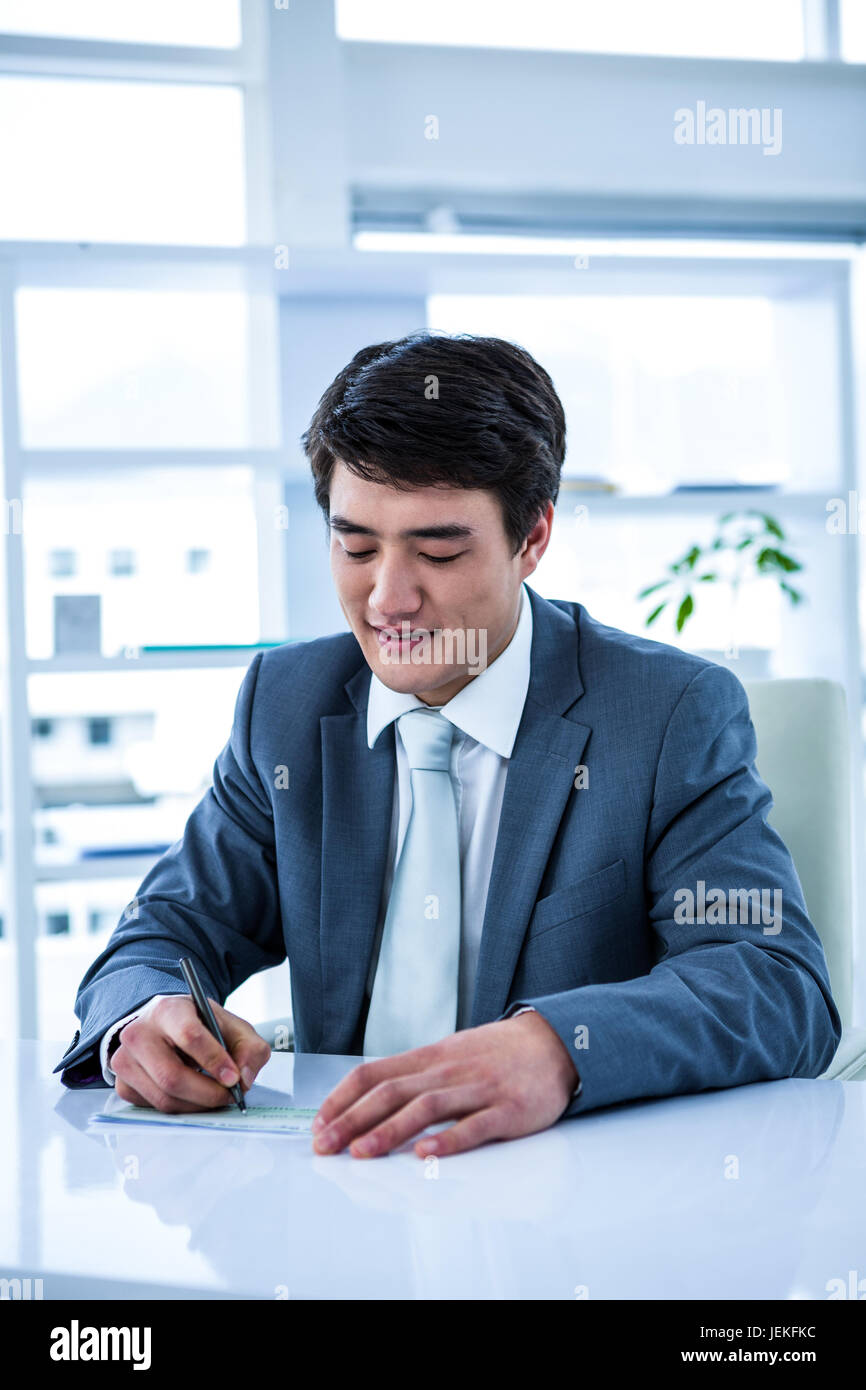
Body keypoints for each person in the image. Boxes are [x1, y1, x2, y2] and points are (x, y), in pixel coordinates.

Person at [55, 331, 841, 1160]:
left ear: (533, 538)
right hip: (340, 1187)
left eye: (437, 550)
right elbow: (163, 931)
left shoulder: (667, 714)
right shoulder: (284, 707)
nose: (388, 597)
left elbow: (775, 982)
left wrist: (559, 1046)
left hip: (572, 1212)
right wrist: (141, 1021)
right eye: (355, 546)